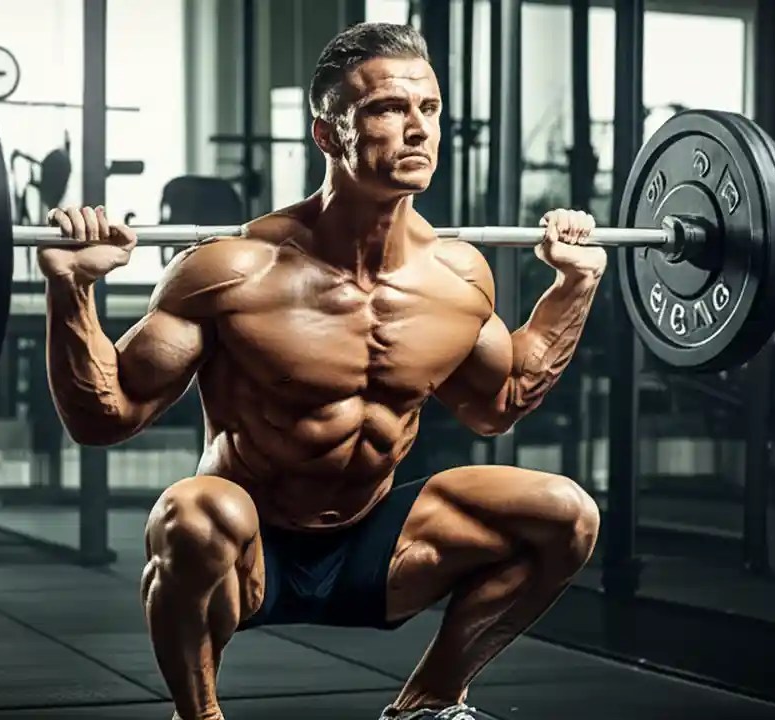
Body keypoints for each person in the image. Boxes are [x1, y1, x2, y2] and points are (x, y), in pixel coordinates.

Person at [38, 22, 603, 720]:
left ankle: (431, 701)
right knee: (193, 514)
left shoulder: (456, 278)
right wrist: (71, 289)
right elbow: (105, 416)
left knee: (565, 516)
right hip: (247, 550)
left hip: (376, 546)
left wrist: (575, 286)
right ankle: (199, 716)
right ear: (328, 134)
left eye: (428, 108)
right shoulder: (234, 272)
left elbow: (500, 403)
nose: (418, 129)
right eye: (387, 109)